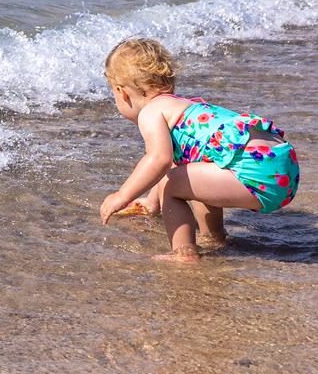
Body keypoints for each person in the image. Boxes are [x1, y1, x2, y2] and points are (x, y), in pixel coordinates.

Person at [96, 37, 299, 262]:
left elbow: (158, 160)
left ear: (122, 92)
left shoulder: (151, 112)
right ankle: (214, 237)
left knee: (172, 184)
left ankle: (184, 252)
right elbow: (174, 162)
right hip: (282, 166)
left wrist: (122, 195)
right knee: (194, 173)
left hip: (255, 171)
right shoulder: (186, 106)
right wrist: (151, 202)